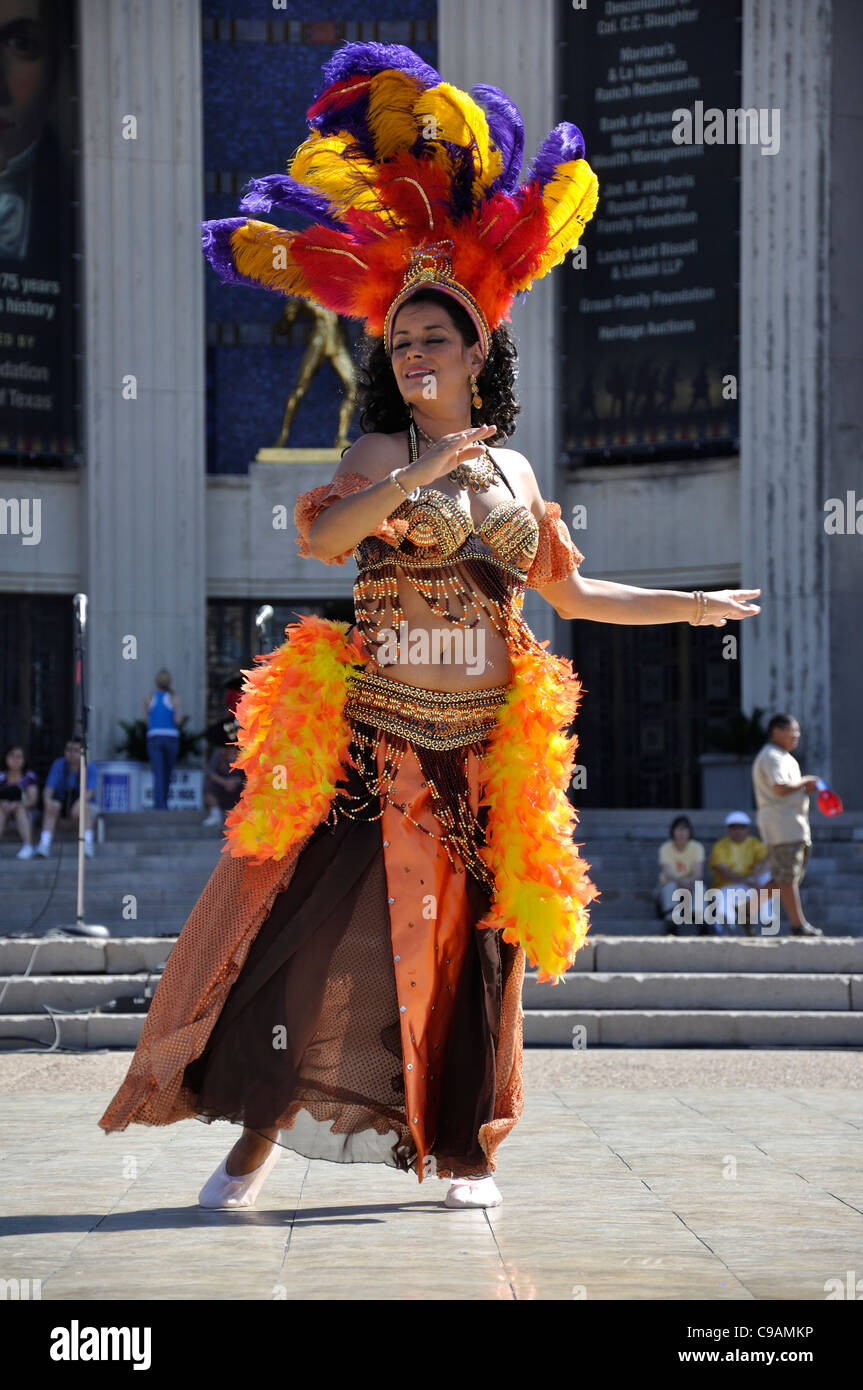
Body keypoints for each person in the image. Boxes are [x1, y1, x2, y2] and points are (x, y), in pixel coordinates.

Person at [99, 41, 761, 1212]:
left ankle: (465, 1148)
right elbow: (317, 541)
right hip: (374, 749)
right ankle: (250, 1145)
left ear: (477, 352)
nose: (411, 353)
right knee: (316, 948)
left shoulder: (513, 470)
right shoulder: (378, 454)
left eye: (432, 338)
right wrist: (419, 473)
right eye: (399, 341)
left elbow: (574, 596)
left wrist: (696, 605)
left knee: (472, 960)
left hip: (482, 751)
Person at [752, 714, 823, 936]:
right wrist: (806, 781)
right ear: (777, 731)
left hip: (793, 825)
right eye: (793, 730)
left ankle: (746, 909)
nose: (797, 736)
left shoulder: (784, 757)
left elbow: (788, 788)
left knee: (787, 878)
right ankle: (798, 925)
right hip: (781, 827)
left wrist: (803, 788)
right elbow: (780, 787)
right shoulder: (772, 756)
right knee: (788, 877)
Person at [708, 811, 771, 936]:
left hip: (750, 886)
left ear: (747, 828)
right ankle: (726, 931)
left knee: (769, 877)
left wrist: (755, 877)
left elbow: (768, 861)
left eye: (742, 827)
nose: (738, 830)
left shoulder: (755, 844)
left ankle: (766, 918)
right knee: (723, 901)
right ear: (728, 829)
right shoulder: (720, 846)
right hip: (726, 886)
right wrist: (747, 880)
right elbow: (724, 871)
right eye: (733, 827)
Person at [36, 736, 98, 858]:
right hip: (63, 802)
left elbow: (90, 792)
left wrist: (79, 803)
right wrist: (47, 801)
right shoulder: (58, 765)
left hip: (85, 804)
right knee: (52, 805)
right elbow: (49, 788)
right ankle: (44, 844)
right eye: (69, 749)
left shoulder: (90, 767)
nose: (71, 753)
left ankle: (88, 844)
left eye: (76, 750)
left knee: (84, 807)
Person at [656, 815, 706, 935]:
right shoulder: (665, 848)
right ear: (672, 832)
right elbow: (667, 874)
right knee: (670, 886)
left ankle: (701, 921)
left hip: (690, 884)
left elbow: (698, 873)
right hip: (670, 885)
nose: (681, 833)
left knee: (700, 887)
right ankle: (670, 921)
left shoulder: (697, 847)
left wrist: (688, 882)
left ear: (690, 832)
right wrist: (681, 882)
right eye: (678, 829)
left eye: (684, 829)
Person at [145, 669, 182, 811]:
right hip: (171, 738)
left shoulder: (149, 698)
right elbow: (178, 720)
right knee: (167, 772)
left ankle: (159, 805)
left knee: (158, 772)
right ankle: (164, 803)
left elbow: (148, 722)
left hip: (155, 738)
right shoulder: (174, 698)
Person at [0, 744, 40, 859]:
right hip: (4, 811)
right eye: (12, 756)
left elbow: (33, 800)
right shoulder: (1, 776)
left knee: (20, 809)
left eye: (19, 757)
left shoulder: (29, 776)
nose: (15, 760)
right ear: (5, 758)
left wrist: (16, 804)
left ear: (24, 759)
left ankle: (28, 846)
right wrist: (3, 803)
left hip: (27, 812)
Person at [202, 739, 245, 827]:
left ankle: (239, 815)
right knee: (208, 784)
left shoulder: (246, 753)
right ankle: (215, 814)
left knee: (251, 788)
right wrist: (225, 782)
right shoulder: (219, 753)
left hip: (238, 788)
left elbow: (251, 775)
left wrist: (237, 781)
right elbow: (210, 772)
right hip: (222, 787)